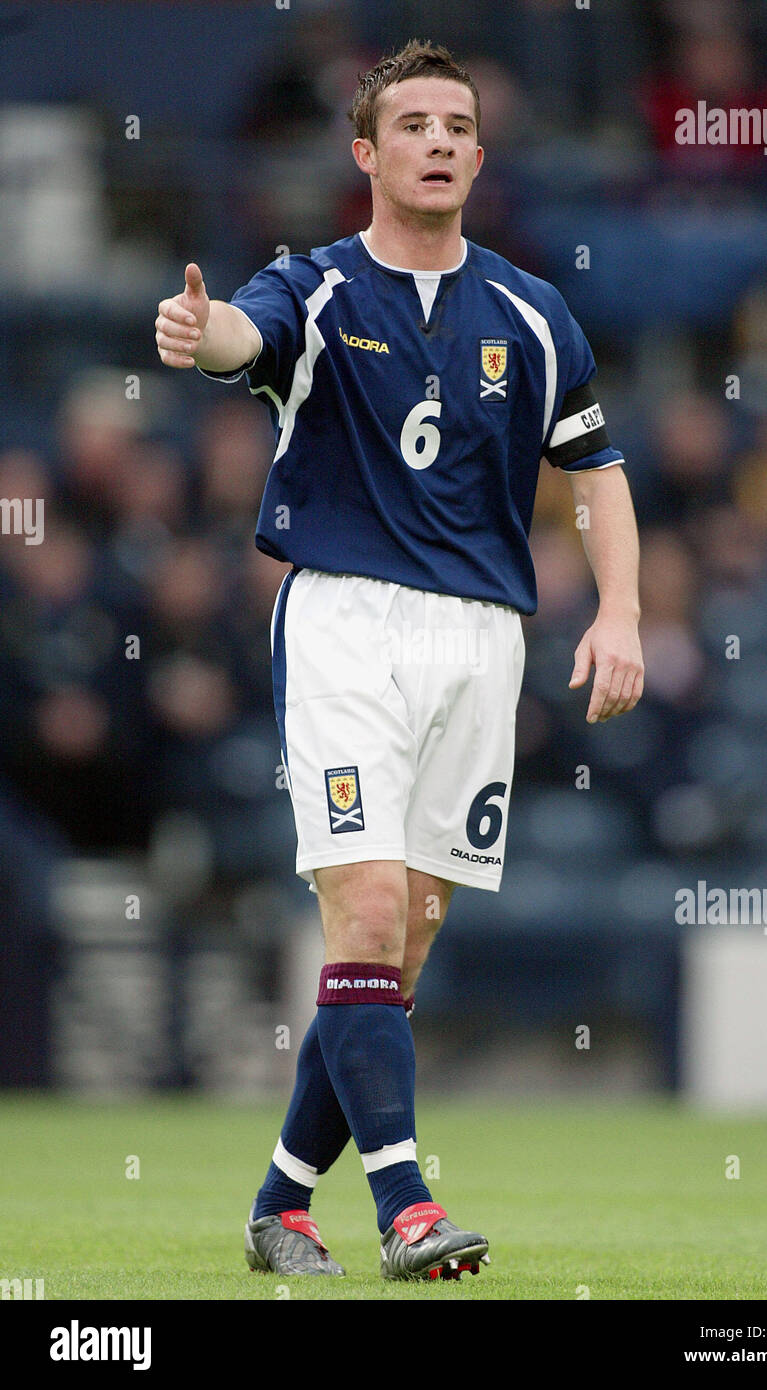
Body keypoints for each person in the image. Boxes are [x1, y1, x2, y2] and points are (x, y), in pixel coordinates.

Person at [155, 39, 644, 1282]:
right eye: (410, 123)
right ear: (364, 153)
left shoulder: (533, 314)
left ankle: (279, 1202)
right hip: (344, 622)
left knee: (396, 949)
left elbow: (593, 470)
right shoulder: (313, 289)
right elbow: (238, 344)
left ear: (478, 155)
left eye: (456, 124)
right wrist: (202, 327)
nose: (436, 140)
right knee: (363, 911)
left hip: (482, 641)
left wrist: (620, 611)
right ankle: (409, 1206)